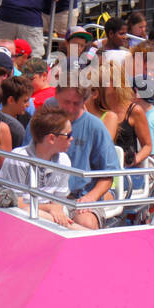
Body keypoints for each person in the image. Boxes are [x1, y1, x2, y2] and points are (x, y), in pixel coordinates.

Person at [49, 80, 122, 229]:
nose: (70, 108)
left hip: (80, 197)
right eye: (66, 102)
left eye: (76, 103)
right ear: (57, 96)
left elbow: (109, 174)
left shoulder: (95, 126)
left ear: (85, 101)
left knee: (86, 223)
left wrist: (91, 197)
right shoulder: (44, 120)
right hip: (46, 194)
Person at [0, 106, 86, 228]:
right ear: (51, 138)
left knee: (86, 218)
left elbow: (58, 201)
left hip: (47, 213)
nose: (72, 138)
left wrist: (55, 210)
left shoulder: (64, 161)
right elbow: (16, 203)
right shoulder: (18, 159)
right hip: (19, 216)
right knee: (30, 213)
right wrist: (50, 208)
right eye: (68, 134)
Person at [87, 60, 152, 168]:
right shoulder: (94, 106)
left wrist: (133, 160)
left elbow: (147, 146)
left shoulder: (134, 111)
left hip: (126, 170)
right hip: (99, 167)